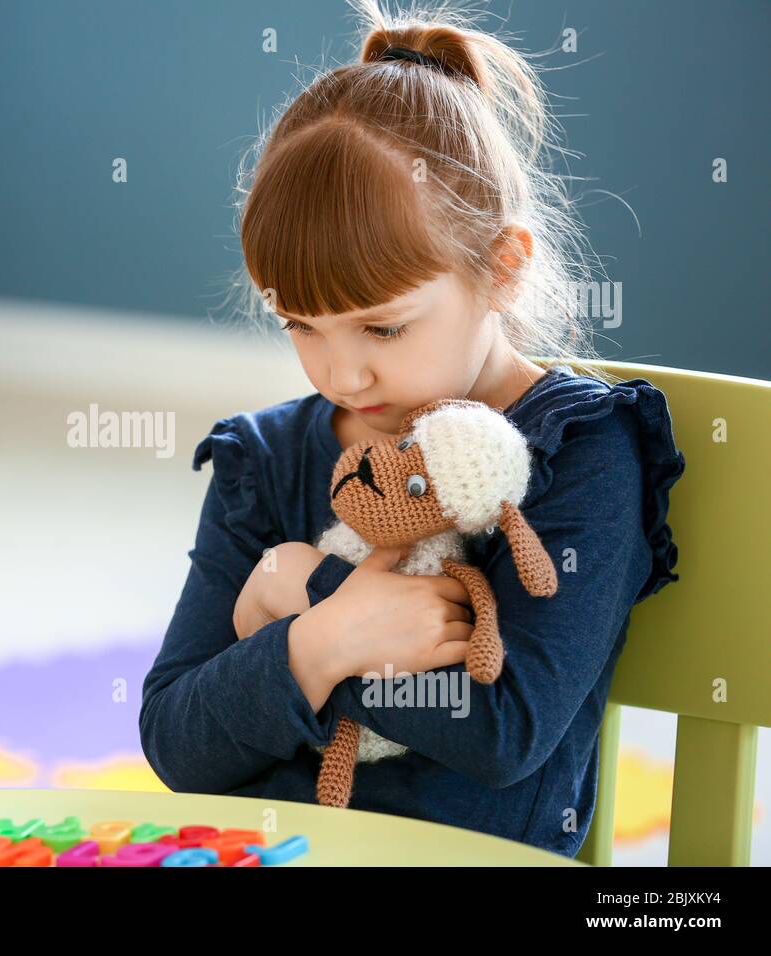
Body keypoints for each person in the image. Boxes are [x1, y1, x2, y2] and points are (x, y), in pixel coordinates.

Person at [139, 0, 686, 857]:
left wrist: (306, 603)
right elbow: (175, 739)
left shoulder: (579, 452)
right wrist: (325, 638)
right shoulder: (268, 456)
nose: (340, 376)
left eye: (383, 329)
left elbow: (505, 736)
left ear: (502, 269)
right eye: (301, 325)